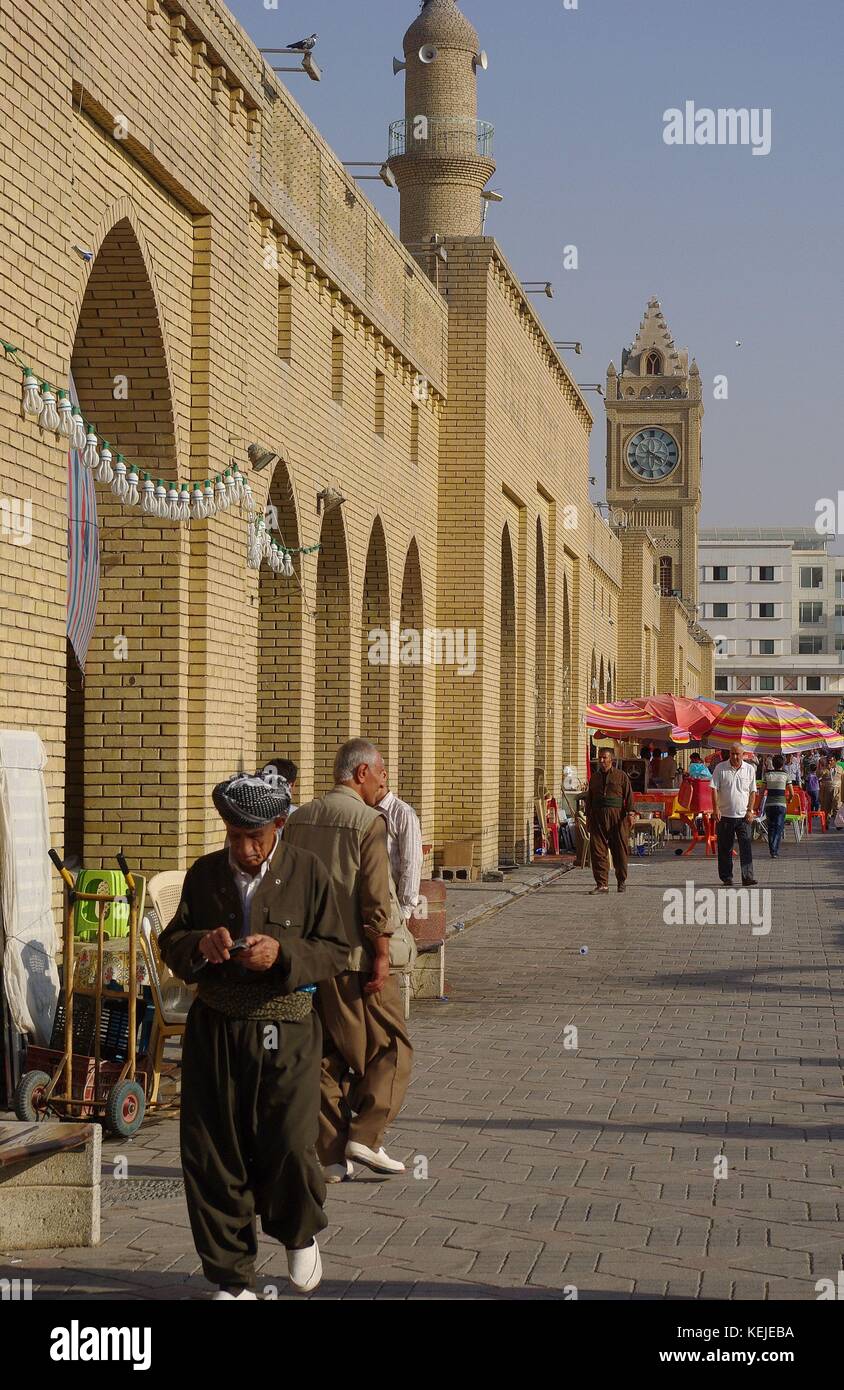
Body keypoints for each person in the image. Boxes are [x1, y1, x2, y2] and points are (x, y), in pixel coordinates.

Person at [158, 774, 350, 1300]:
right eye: (234, 836)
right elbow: (171, 943)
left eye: (256, 837)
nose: (244, 849)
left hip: (284, 1027)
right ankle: (231, 1277)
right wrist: (202, 944)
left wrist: (283, 955)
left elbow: (336, 950)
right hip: (216, 1028)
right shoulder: (204, 875)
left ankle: (298, 1230)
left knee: (287, 1140)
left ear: (279, 827)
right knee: (211, 1151)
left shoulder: (308, 872)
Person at [284, 738, 413, 1181]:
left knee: (324, 1055)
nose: (384, 783)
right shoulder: (367, 821)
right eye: (381, 774)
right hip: (357, 959)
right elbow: (375, 896)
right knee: (392, 1048)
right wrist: (382, 953)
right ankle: (366, 1135)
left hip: (310, 959)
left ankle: (334, 1153)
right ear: (360, 773)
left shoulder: (299, 819)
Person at [584, 746, 635, 893]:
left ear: (611, 759)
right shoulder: (594, 777)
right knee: (598, 851)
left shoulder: (621, 776)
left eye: (604, 757)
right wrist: (588, 817)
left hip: (617, 817)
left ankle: (621, 880)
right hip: (598, 817)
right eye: (600, 757)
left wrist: (631, 813)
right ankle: (602, 884)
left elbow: (629, 796)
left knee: (619, 849)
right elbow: (590, 799)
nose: (601, 760)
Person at [376, 783, 423, 920]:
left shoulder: (402, 812)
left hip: (393, 902)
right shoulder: (363, 809)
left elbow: (411, 862)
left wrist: (405, 909)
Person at [712, 746, 757, 886]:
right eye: (732, 754)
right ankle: (726, 877)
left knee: (746, 847)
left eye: (738, 754)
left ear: (743, 754)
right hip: (725, 815)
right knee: (725, 848)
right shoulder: (720, 768)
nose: (735, 757)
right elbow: (714, 789)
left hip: (743, 816)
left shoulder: (749, 769)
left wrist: (750, 810)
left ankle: (747, 877)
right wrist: (715, 809)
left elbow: (752, 792)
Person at [763, 754, 792, 859]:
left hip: (769, 804)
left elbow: (762, 791)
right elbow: (791, 792)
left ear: (773, 764)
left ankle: (772, 849)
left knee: (770, 827)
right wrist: (789, 799)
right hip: (781, 804)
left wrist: (757, 805)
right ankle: (774, 850)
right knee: (778, 827)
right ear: (782, 764)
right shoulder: (785, 775)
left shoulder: (767, 774)